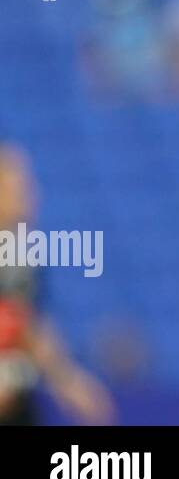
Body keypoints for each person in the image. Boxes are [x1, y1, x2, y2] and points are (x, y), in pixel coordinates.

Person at [0, 143, 114, 425]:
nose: (30, 194)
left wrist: (68, 380)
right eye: (19, 186)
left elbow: (30, 324)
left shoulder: (22, 254)